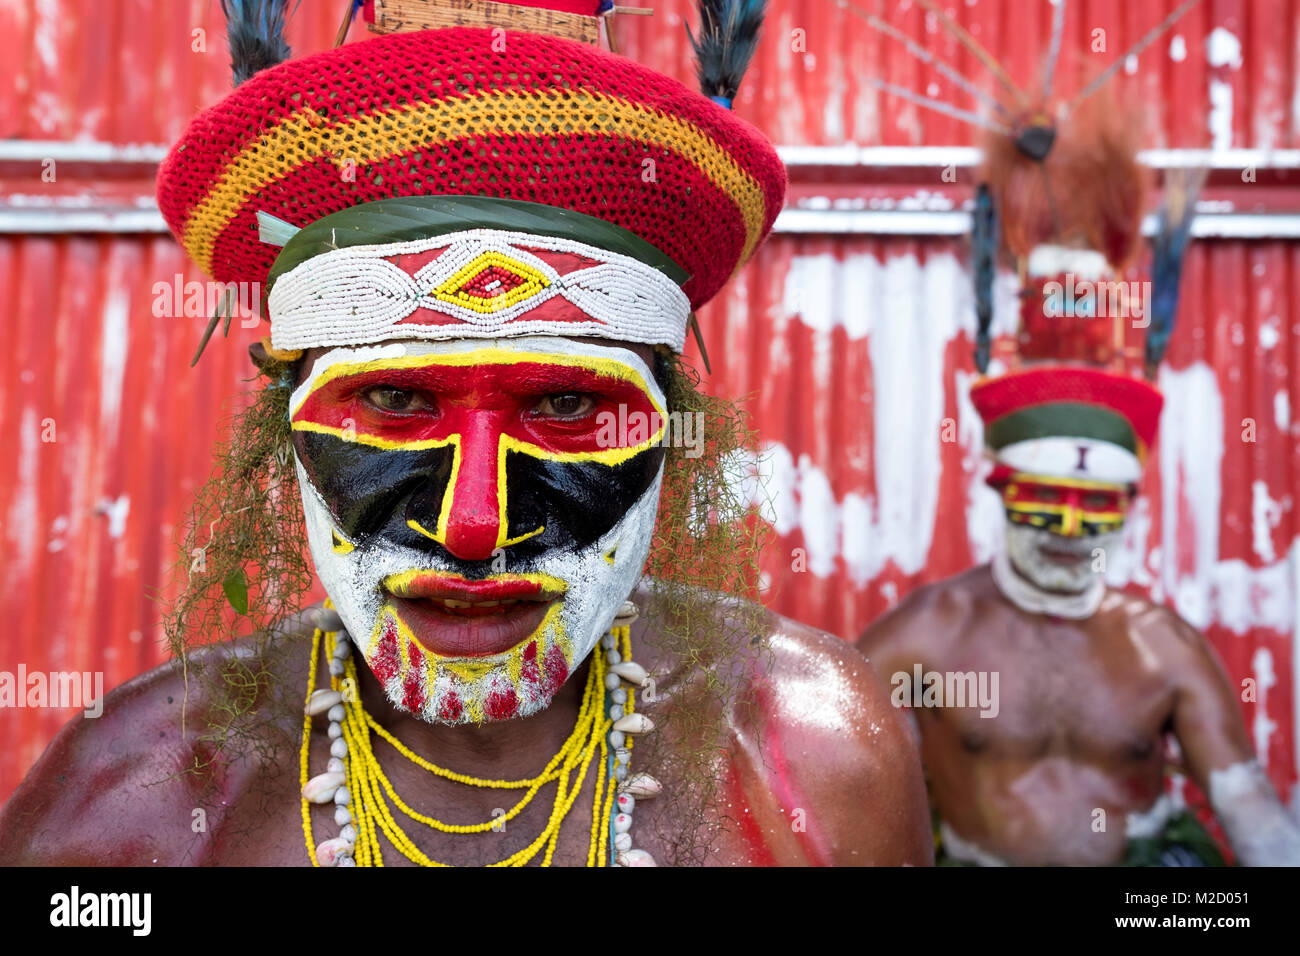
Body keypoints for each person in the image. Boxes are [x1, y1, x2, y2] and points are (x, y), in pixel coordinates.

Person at [0, 2, 930, 867]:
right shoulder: (133, 810)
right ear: (281, 440)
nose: (472, 526)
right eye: (396, 402)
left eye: (566, 408)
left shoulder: (810, 764)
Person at [858, 364, 1300, 866]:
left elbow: (1249, 810)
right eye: (1045, 497)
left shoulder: (1162, 646)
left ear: (1127, 508)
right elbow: (843, 779)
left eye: (1095, 505)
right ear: (1003, 494)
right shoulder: (927, 636)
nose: (1069, 531)